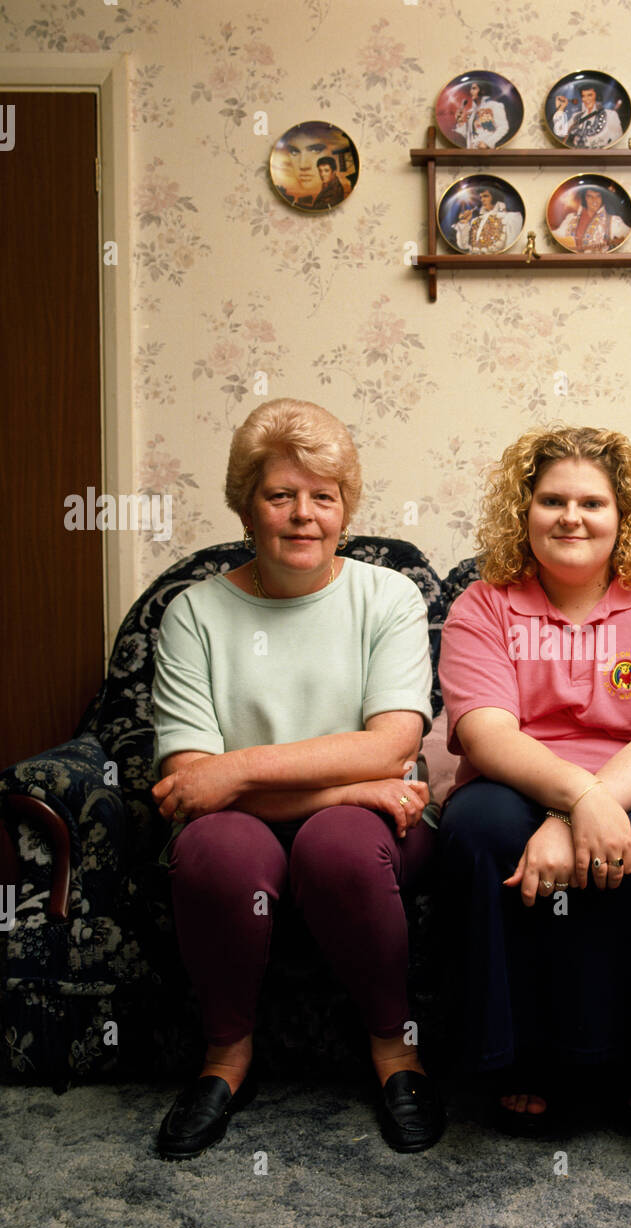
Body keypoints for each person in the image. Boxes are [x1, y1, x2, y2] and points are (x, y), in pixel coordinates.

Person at [151, 397, 444, 1159]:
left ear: (346, 507)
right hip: (245, 830)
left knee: (339, 842)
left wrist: (241, 768)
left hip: (370, 832)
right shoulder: (192, 613)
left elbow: (392, 746)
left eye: (324, 496)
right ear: (247, 508)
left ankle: (393, 1050)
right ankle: (226, 1057)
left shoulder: (389, 596)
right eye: (280, 495)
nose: (303, 515)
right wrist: (348, 781)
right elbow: (190, 785)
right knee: (217, 847)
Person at [437, 425, 631, 1135]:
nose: (572, 516)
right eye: (552, 500)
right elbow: (487, 734)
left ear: (624, 516)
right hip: (520, 780)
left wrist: (578, 817)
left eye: (593, 502)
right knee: (479, 828)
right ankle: (521, 1061)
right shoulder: (483, 605)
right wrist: (576, 798)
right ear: (523, 512)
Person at [553, 185, 631, 253]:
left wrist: (614, 241)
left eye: (598, 196)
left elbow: (628, 234)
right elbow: (557, 236)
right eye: (590, 196)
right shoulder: (571, 217)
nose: (594, 200)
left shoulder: (613, 220)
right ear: (584, 198)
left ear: (602, 198)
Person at [454, 186, 522, 254]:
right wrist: (464, 223)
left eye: (485, 196)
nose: (482, 200)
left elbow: (511, 251)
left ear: (495, 197)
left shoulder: (511, 218)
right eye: (481, 197)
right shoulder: (476, 221)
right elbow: (463, 246)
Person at [553, 85, 624, 148]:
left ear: (597, 96)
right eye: (583, 96)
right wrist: (560, 109)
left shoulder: (611, 115)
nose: (586, 99)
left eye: (590, 95)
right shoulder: (576, 116)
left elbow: (617, 139)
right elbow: (560, 133)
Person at [454, 80, 509, 148]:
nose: (471, 91)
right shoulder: (470, 112)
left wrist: (487, 143)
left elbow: (503, 127)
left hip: (487, 152)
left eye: (474, 88)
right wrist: (460, 121)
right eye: (471, 89)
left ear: (483, 90)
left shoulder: (495, 106)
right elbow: (469, 135)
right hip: (471, 153)